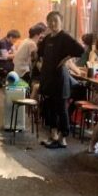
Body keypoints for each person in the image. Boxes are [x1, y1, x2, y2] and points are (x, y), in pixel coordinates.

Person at [37, 11, 84, 149]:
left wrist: (65, 59)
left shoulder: (65, 37)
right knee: (50, 106)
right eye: (50, 20)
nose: (52, 23)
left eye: (55, 20)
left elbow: (80, 50)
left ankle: (63, 137)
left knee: (62, 108)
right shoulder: (47, 38)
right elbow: (39, 54)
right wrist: (40, 65)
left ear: (61, 21)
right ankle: (53, 136)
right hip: (48, 76)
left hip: (60, 77)